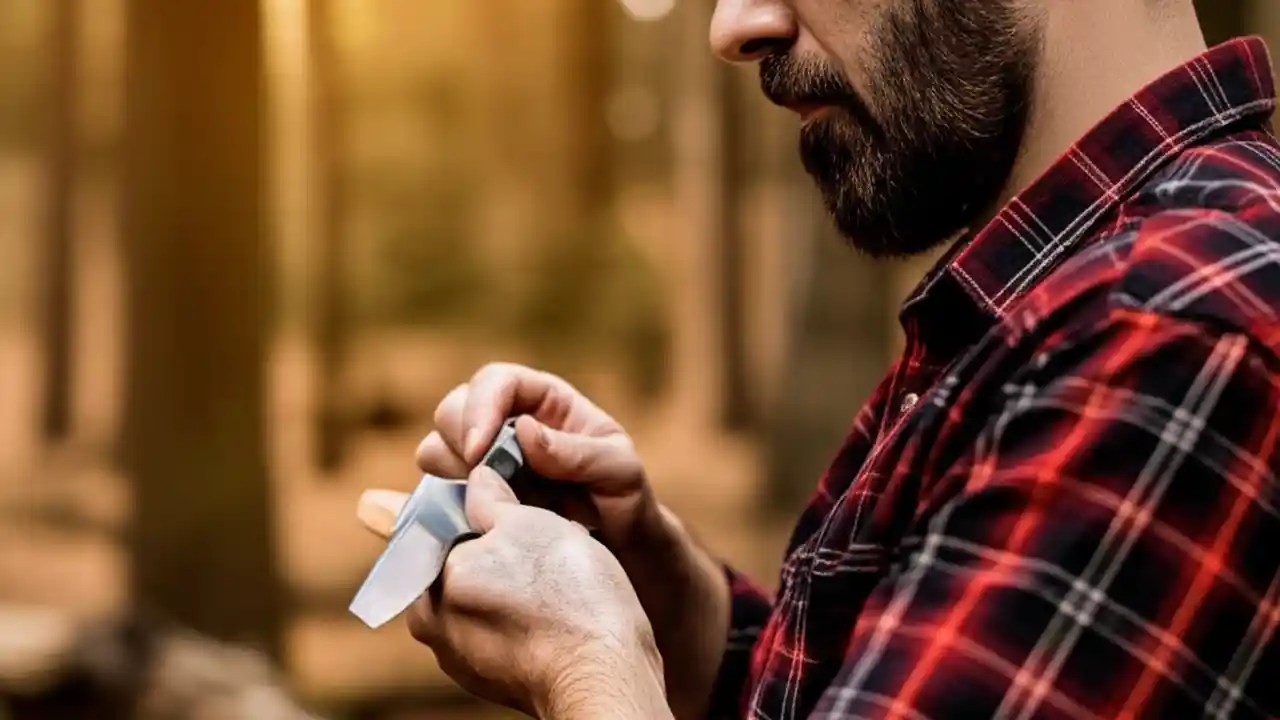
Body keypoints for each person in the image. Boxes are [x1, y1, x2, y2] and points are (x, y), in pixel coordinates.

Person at [407, 0, 1280, 717]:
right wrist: (668, 608)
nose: (734, 28)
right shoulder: (1070, 295)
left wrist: (589, 666)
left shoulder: (1164, 334)